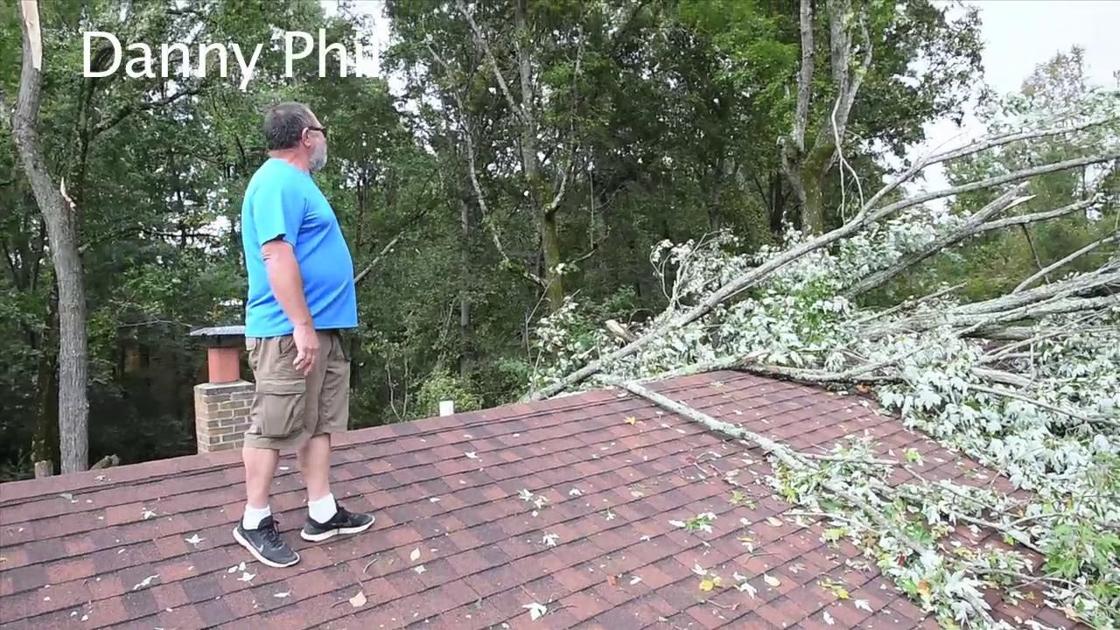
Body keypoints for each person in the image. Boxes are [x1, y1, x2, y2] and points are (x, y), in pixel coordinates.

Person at [233, 102, 373, 568]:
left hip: (321, 329)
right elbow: (276, 254)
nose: (325, 138)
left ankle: (321, 512)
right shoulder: (275, 180)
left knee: (318, 425)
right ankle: (254, 520)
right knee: (273, 426)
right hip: (288, 332)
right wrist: (301, 324)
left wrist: (315, 327)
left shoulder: (299, 183)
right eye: (323, 128)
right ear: (306, 135)